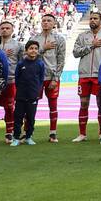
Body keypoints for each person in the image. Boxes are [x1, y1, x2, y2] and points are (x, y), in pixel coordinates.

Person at [71, 10, 101, 143]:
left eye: (95, 18)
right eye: (91, 18)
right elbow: (75, 52)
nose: (92, 20)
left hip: (100, 75)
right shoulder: (82, 36)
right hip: (84, 74)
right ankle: (82, 134)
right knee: (84, 104)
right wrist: (91, 46)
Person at [33, 13, 66, 143]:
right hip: (36, 77)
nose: (45, 22)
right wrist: (43, 48)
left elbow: (61, 60)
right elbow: (29, 55)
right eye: (44, 20)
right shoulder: (34, 38)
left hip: (51, 77)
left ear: (54, 23)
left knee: (53, 105)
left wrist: (55, 78)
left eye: (49, 21)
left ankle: (53, 133)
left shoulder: (59, 39)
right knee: (31, 105)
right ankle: (28, 132)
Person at [11, 40, 45, 146]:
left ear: (38, 51)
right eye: (31, 48)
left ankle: (28, 137)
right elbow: (17, 79)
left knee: (31, 118)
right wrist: (20, 90)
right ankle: (16, 138)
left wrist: (36, 91)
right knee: (18, 117)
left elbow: (40, 79)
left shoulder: (40, 64)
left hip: (33, 96)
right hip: (21, 95)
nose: (33, 50)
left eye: (35, 48)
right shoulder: (21, 63)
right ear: (26, 50)